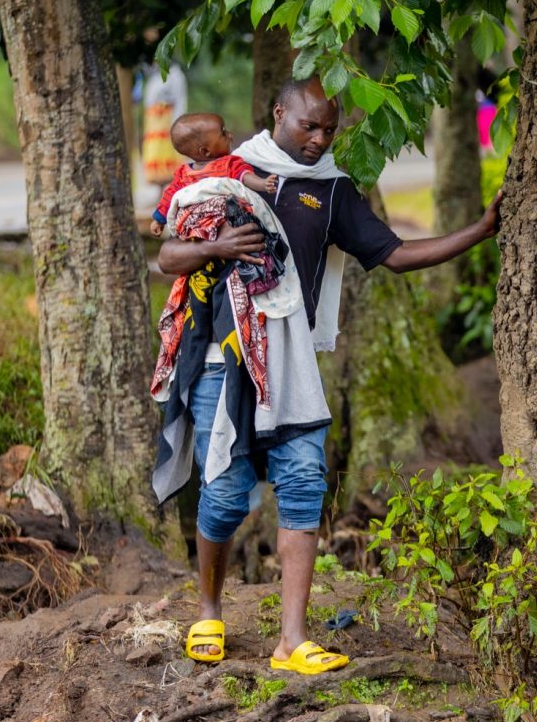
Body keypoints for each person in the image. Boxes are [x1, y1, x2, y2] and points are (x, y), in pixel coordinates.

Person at [153, 77, 501, 674]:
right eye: (307, 126)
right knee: (227, 492)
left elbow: (394, 254)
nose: (318, 140)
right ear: (278, 112)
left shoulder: (332, 190)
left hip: (294, 365)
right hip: (219, 360)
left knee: (305, 485)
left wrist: (481, 231)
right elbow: (168, 256)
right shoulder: (225, 173)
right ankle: (208, 608)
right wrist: (217, 249)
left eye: (328, 130)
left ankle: (292, 641)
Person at [149, 113, 279, 237]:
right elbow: (170, 196)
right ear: (205, 151)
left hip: (229, 225)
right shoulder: (183, 174)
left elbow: (245, 176)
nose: (230, 135)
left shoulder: (230, 163)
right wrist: (159, 220)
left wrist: (263, 183)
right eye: (223, 133)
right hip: (197, 227)